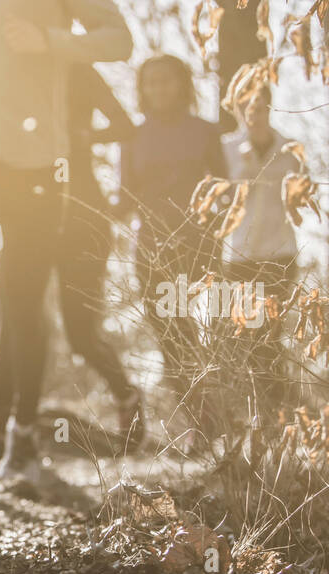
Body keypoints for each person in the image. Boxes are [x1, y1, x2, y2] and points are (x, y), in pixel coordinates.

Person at [0, 0, 134, 483]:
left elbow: (119, 41)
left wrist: (52, 41)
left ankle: (20, 435)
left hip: (39, 162)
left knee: (21, 299)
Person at [0, 63, 144, 446]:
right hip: (29, 208)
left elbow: (126, 126)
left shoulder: (79, 70)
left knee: (80, 334)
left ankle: (127, 396)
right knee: (15, 322)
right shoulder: (14, 70)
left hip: (81, 215)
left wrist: (84, 135)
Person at [120, 54, 227, 400]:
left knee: (194, 329)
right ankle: (199, 419)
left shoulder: (205, 132)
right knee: (170, 336)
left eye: (165, 79)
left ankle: (219, 412)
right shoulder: (133, 136)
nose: (158, 88)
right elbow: (126, 193)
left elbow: (224, 187)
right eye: (150, 82)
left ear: (182, 83)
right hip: (150, 249)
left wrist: (217, 233)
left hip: (198, 245)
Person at [221, 85, 299, 411]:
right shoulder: (225, 148)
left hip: (280, 254)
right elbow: (221, 197)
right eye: (245, 106)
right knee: (247, 336)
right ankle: (255, 411)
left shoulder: (292, 150)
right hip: (239, 255)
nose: (253, 112)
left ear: (269, 106)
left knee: (270, 334)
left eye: (259, 105)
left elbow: (299, 199)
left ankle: (277, 411)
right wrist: (245, 168)